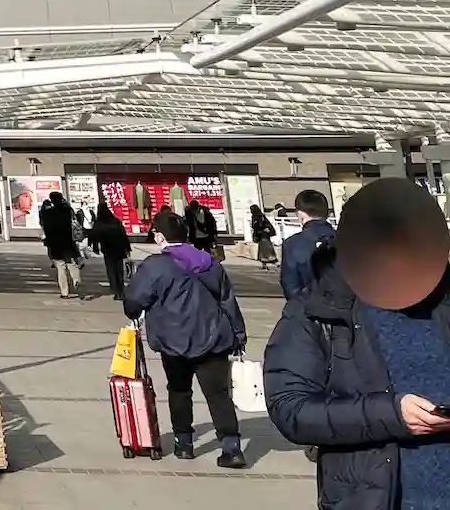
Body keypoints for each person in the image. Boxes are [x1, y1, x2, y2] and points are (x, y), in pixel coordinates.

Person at [265, 176, 450, 509]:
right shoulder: (318, 309)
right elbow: (290, 408)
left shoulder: (444, 299)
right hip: (372, 497)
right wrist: (391, 415)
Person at [123, 207, 248, 467]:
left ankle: (184, 444)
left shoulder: (155, 266)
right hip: (214, 339)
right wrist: (238, 335)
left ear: (159, 237)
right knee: (218, 394)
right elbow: (227, 299)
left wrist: (135, 311)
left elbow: (134, 300)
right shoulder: (208, 262)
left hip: (173, 341)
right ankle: (232, 449)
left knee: (179, 391)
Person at [280, 188, 337, 301]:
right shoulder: (347, 240)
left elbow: (290, 287)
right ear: (328, 214)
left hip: (306, 313)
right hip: (345, 314)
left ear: (300, 215)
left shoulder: (292, 244)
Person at [38, 191, 83, 299]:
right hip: (67, 242)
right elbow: (71, 216)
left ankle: (64, 292)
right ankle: (77, 281)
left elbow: (45, 226)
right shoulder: (66, 210)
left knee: (61, 268)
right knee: (72, 264)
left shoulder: (48, 213)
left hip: (55, 244)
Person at [89, 203, 133, 300]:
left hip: (107, 250)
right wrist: (127, 248)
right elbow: (123, 235)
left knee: (111, 271)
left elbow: (94, 235)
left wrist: (95, 247)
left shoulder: (99, 222)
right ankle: (121, 291)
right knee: (119, 271)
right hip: (119, 249)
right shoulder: (115, 221)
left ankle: (116, 291)